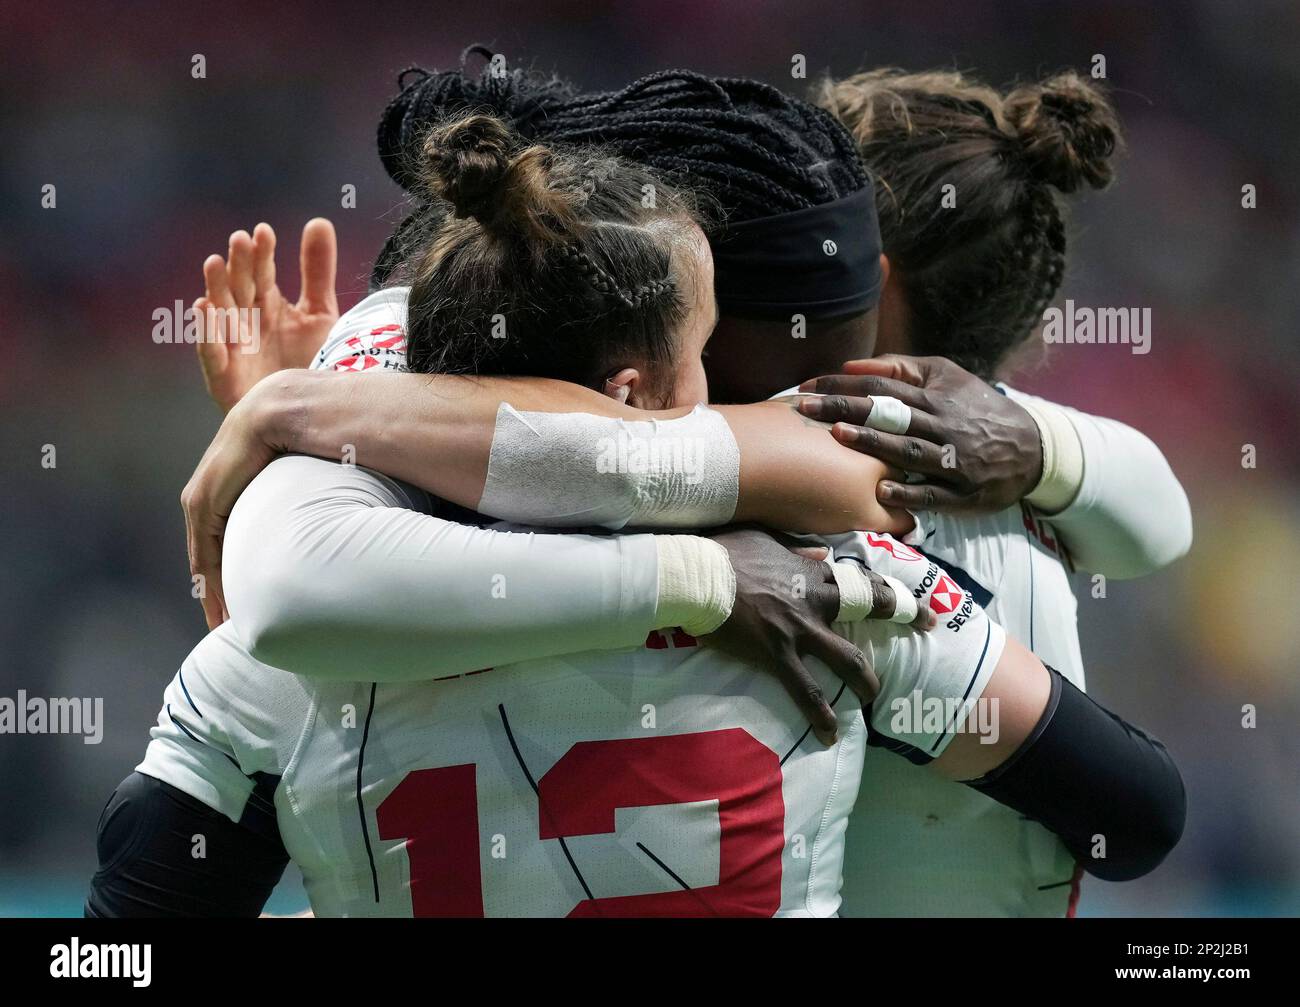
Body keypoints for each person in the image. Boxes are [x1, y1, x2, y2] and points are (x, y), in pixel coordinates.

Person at [186, 61, 1190, 914]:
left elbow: (289, 607)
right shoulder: (903, 536)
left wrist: (301, 411)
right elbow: (1139, 798)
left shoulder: (403, 495)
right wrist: (1047, 446)